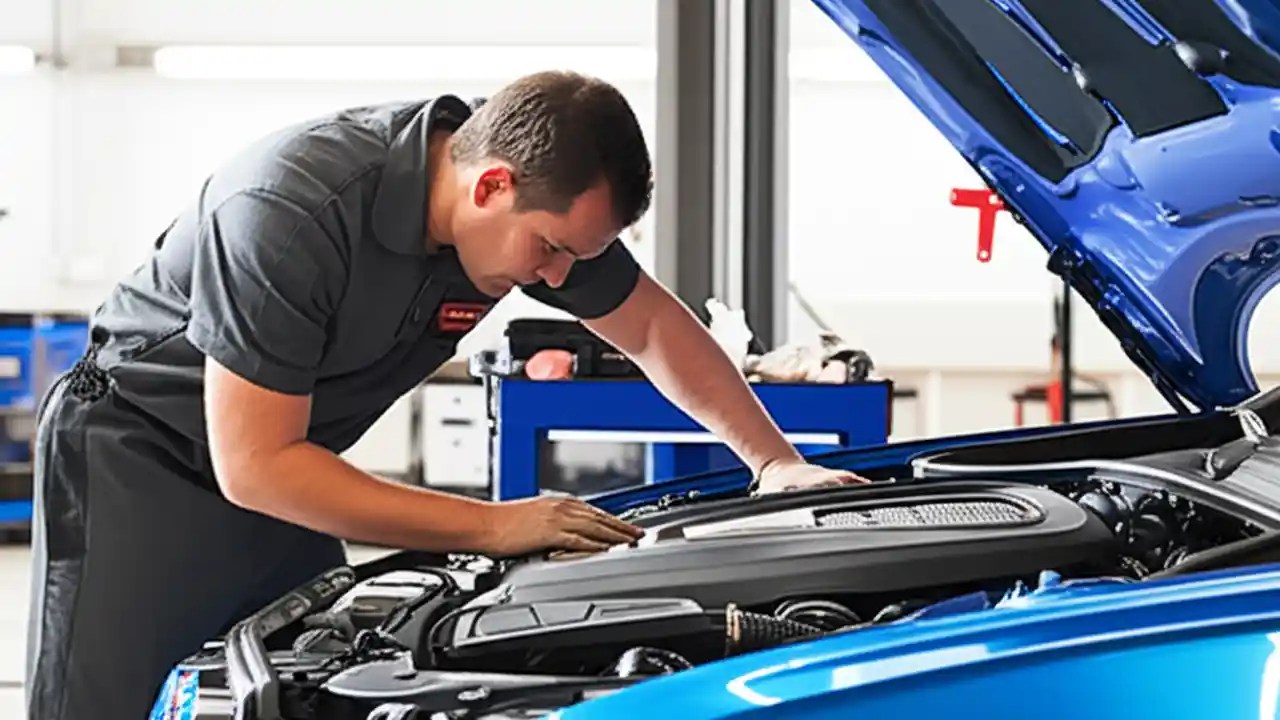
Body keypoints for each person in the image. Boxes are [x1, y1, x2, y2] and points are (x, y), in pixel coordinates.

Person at [24, 70, 865, 720]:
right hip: (139, 461)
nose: (557, 278)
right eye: (548, 250)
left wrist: (776, 463)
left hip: (292, 466)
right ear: (492, 183)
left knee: (300, 684)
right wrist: (495, 524)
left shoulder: (530, 213)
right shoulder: (289, 212)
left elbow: (648, 326)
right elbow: (256, 466)